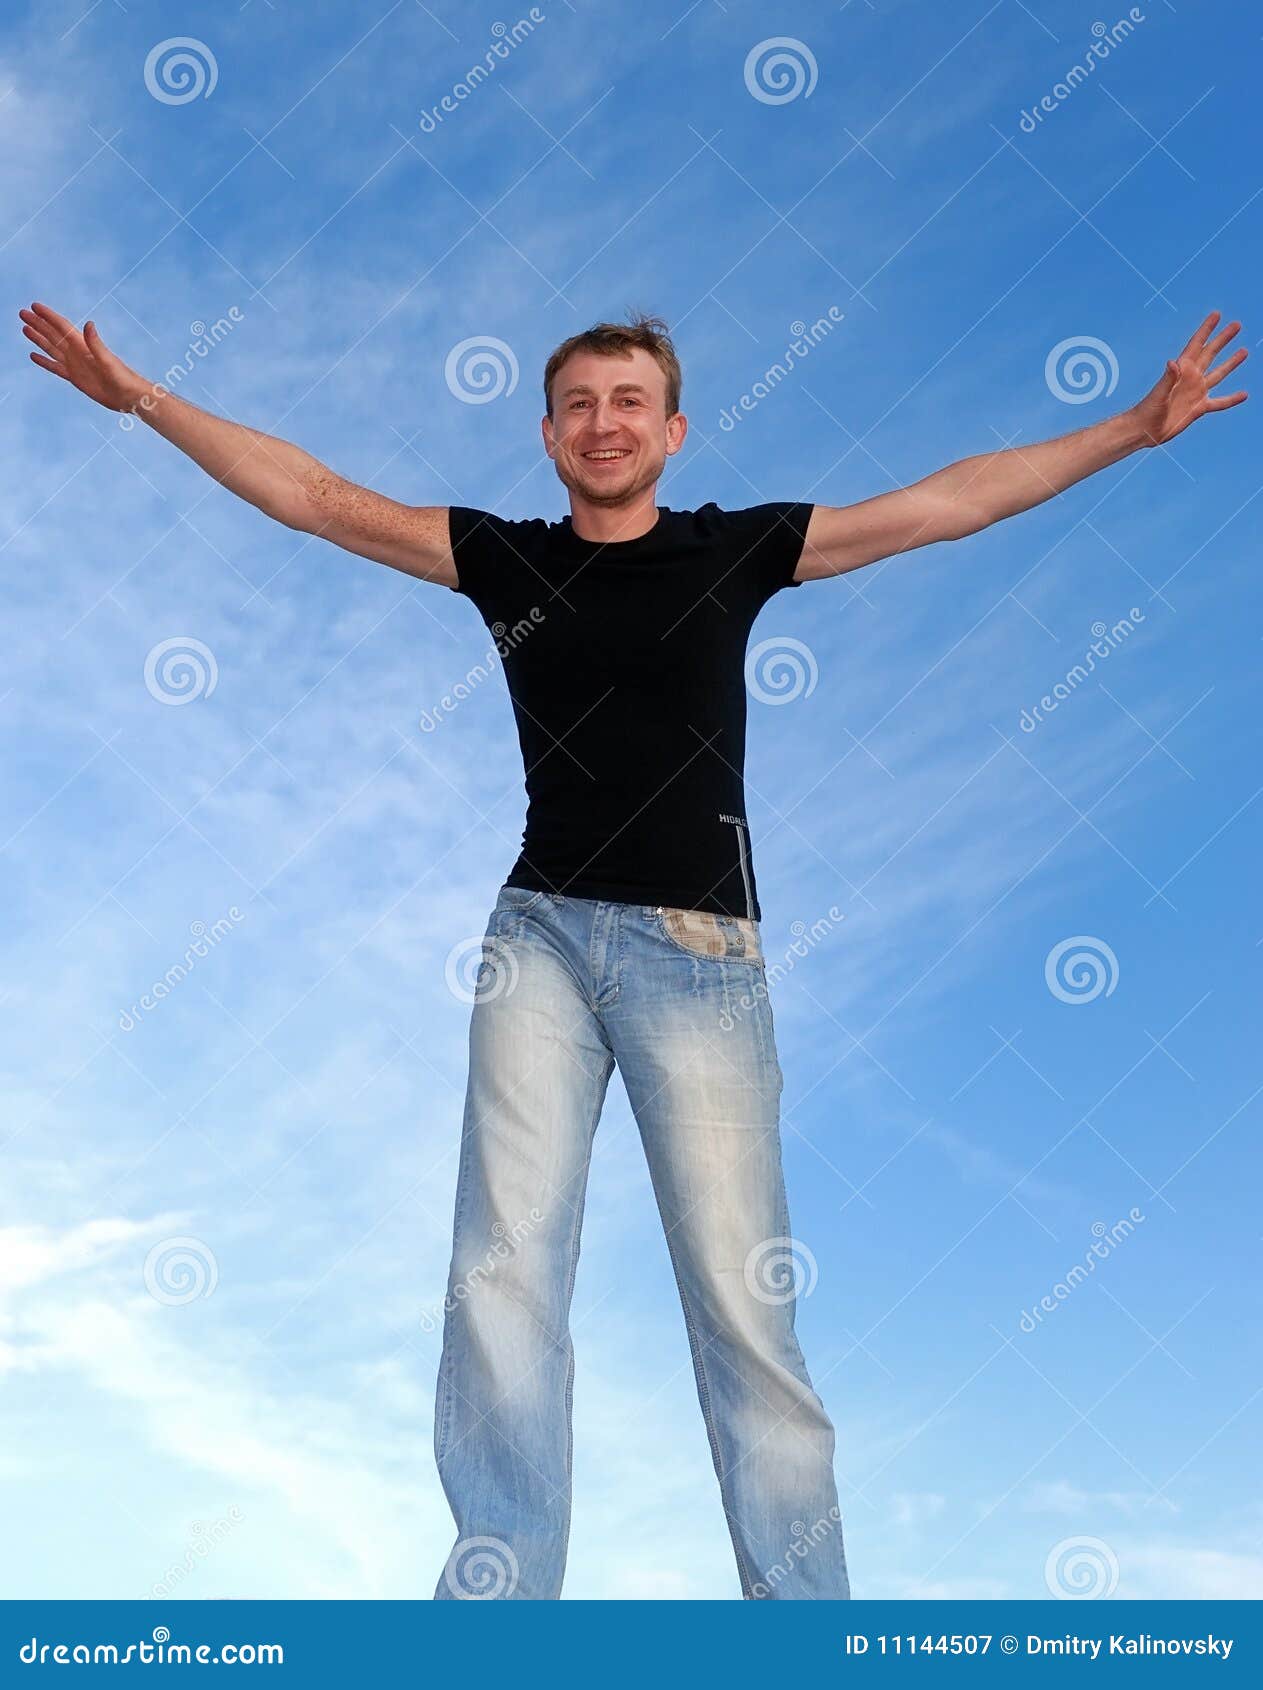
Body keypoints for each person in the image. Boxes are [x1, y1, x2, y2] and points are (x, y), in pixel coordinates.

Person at [20, 302, 1247, 1600]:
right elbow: (318, 497)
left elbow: (947, 502)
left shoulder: (734, 551)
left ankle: (803, 1631)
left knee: (739, 1302)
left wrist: (1133, 430)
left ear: (672, 431)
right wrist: (143, 398)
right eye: (579, 404)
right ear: (549, 435)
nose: (604, 423)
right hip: (537, 939)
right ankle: (498, 1614)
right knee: (502, 1277)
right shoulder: (505, 560)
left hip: (699, 954)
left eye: (628, 402)